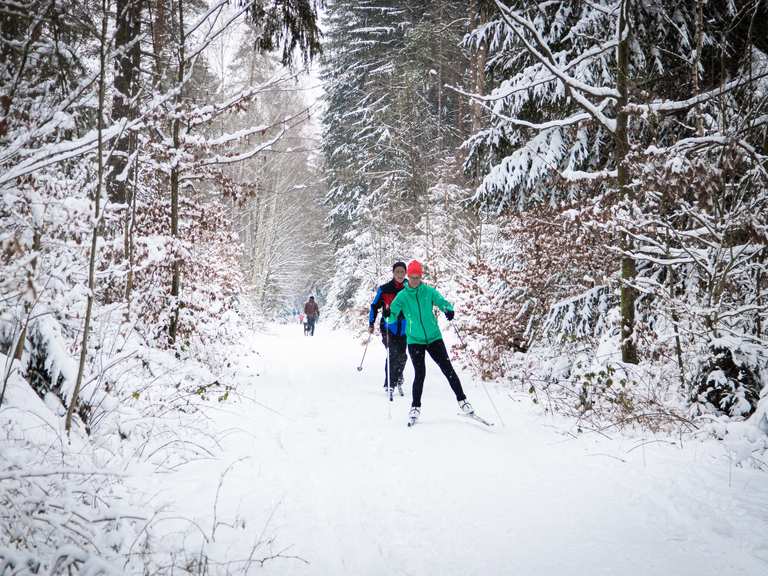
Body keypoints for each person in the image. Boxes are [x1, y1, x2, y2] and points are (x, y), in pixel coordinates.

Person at [384, 260, 473, 424]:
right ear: (408, 277)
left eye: (417, 277)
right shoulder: (402, 296)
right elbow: (392, 316)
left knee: (448, 369)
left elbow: (442, 302)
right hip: (415, 340)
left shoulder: (429, 292)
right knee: (420, 373)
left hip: (433, 337)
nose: (414, 280)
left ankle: (463, 401)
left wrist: (448, 310)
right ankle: (415, 407)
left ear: (421, 277)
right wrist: (388, 314)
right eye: (412, 277)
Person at [368, 261, 408, 396]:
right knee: (392, 353)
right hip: (388, 327)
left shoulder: (411, 288)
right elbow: (374, 306)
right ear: (393, 273)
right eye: (397, 272)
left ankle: (398, 375)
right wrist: (371, 323)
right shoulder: (385, 289)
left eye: (402, 272)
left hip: (405, 328)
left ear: (405, 273)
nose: (400, 274)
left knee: (402, 356)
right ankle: (389, 383)